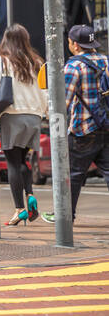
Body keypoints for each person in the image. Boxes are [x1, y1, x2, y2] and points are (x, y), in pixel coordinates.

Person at [57, 24, 109, 222]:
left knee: (73, 175)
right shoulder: (106, 61)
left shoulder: (73, 66)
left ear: (75, 45)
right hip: (107, 127)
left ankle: (66, 216)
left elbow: (63, 102)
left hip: (84, 130)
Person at [0, 24, 46, 225]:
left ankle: (19, 209)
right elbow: (45, 91)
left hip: (12, 116)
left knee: (12, 163)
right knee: (22, 160)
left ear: (6, 40)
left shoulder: (3, 62)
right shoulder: (37, 62)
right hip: (34, 118)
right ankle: (30, 195)